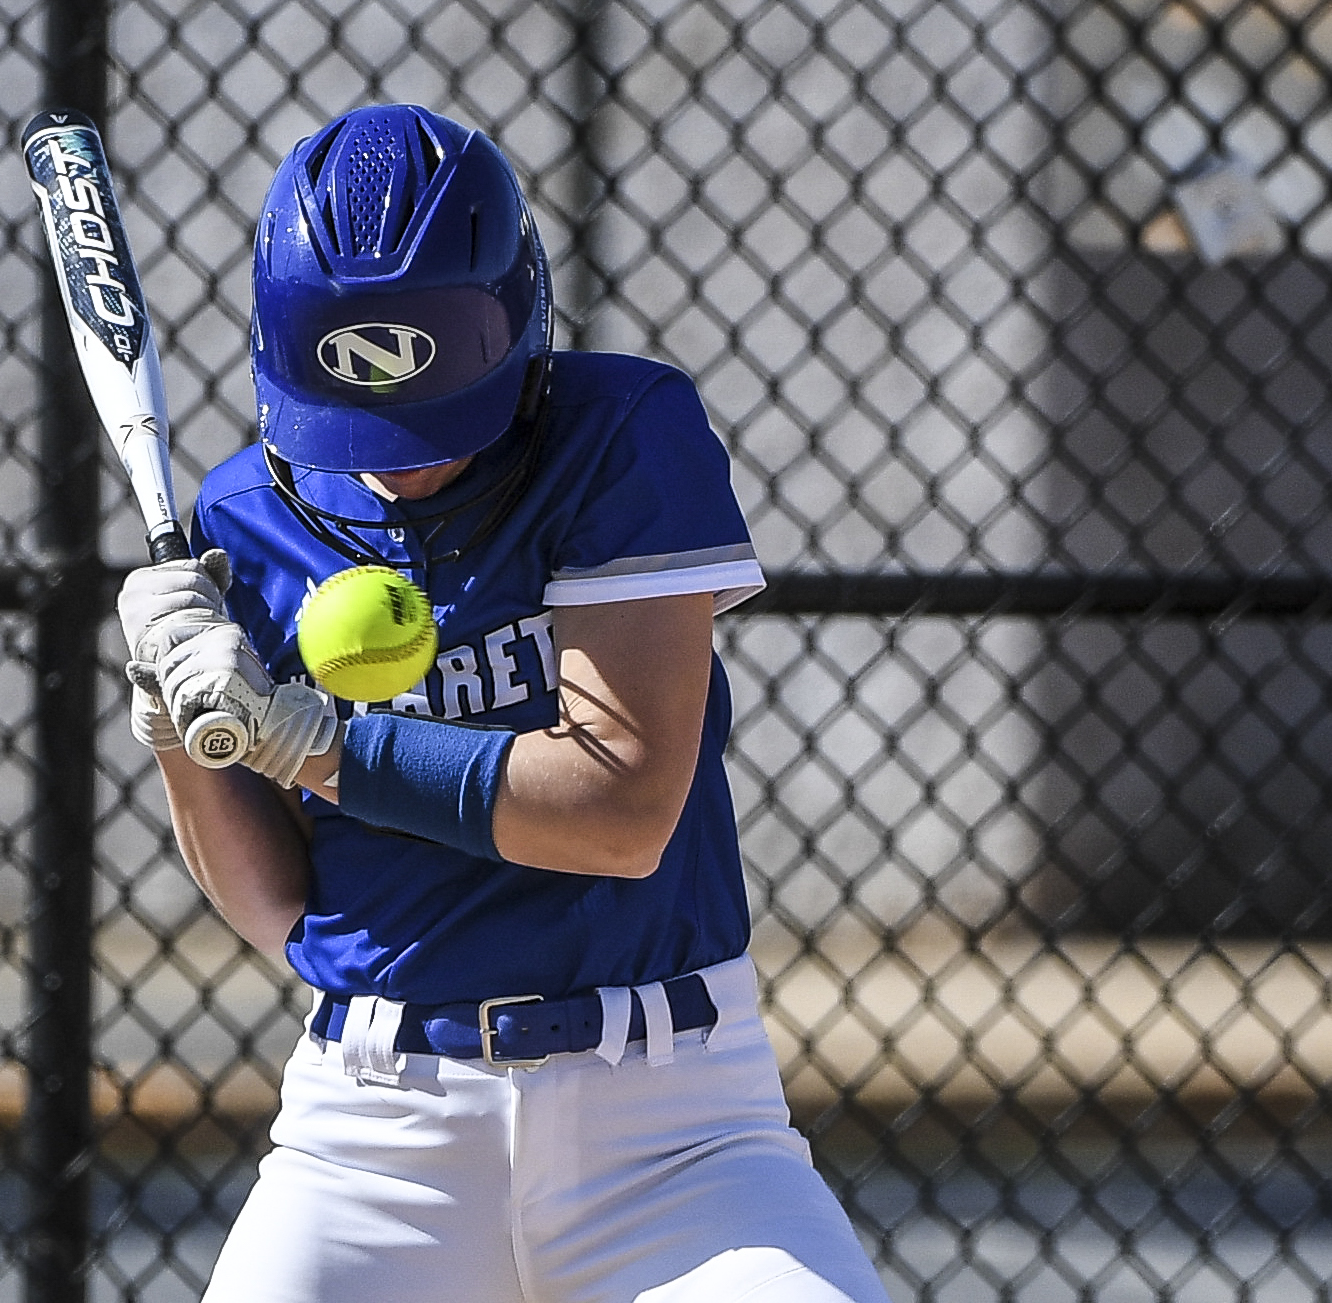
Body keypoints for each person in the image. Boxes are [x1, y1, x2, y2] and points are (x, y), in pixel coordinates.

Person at [117, 104, 888, 1303]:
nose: (405, 457)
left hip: (673, 1134)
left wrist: (316, 741)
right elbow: (277, 908)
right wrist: (184, 725)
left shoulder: (618, 435)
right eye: (361, 412)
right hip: (369, 1132)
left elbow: (619, 810)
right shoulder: (245, 516)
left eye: (438, 411)